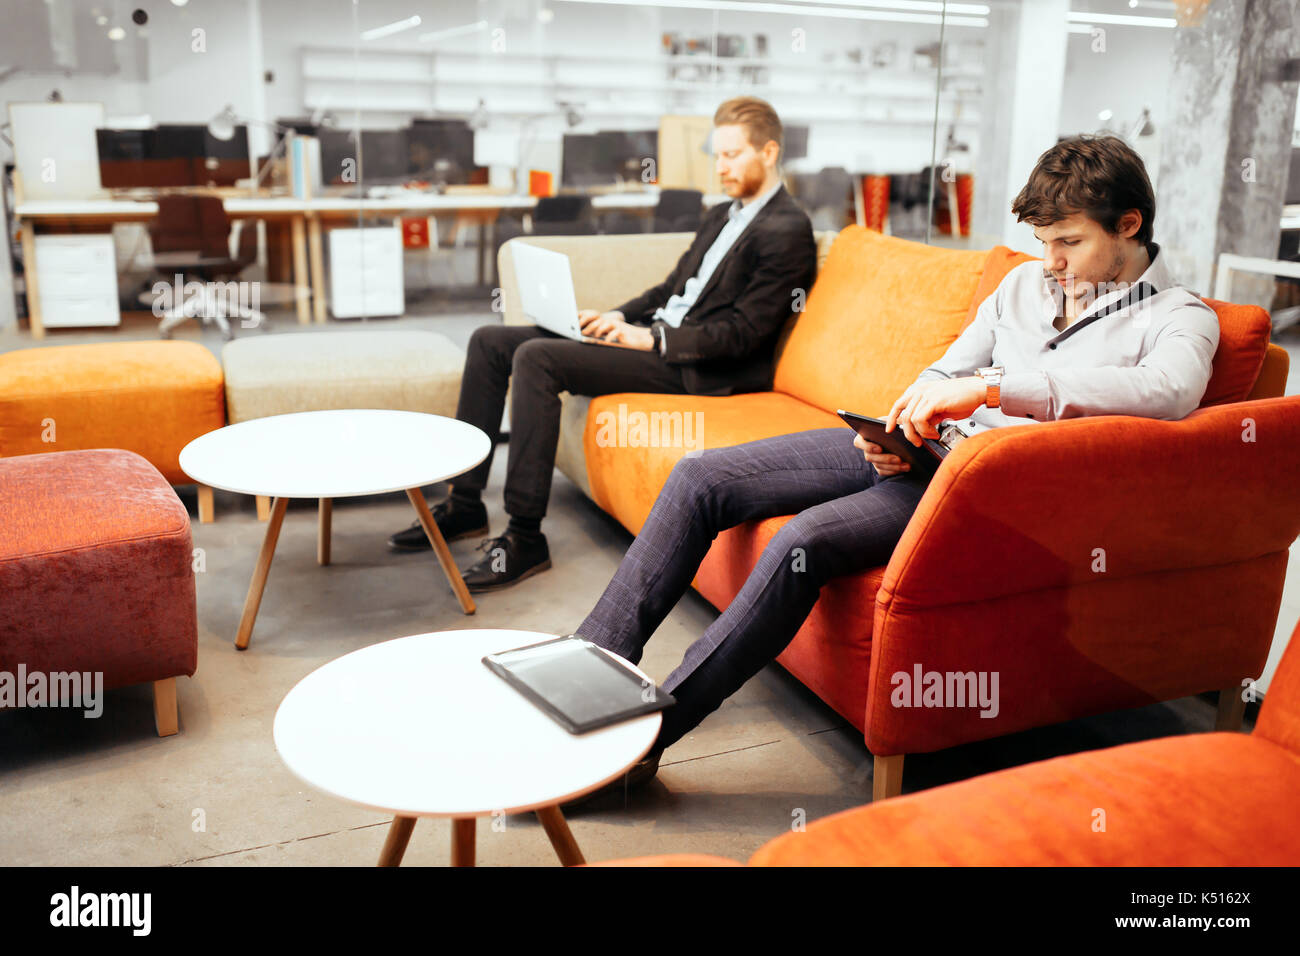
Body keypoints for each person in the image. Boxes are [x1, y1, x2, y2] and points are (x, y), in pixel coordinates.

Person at [569, 134, 1221, 800]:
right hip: (923, 450)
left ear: (1129, 225)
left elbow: (1167, 393)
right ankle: (583, 672)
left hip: (975, 485)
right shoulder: (1024, 283)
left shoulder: (1179, 317)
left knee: (802, 541)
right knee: (699, 477)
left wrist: (995, 390)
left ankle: (645, 739)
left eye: (1069, 242)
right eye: (1042, 241)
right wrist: (901, 422)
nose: (1050, 261)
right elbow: (945, 367)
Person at [388, 96, 817, 592]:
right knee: (489, 341)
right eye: (716, 155)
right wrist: (618, 316)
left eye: (732, 155)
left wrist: (650, 338)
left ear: (769, 151)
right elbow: (670, 288)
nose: (720, 167)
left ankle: (525, 536)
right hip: (656, 338)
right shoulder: (724, 214)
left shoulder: (787, 230)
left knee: (536, 358)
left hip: (699, 367)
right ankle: (464, 505)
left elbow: (745, 336)